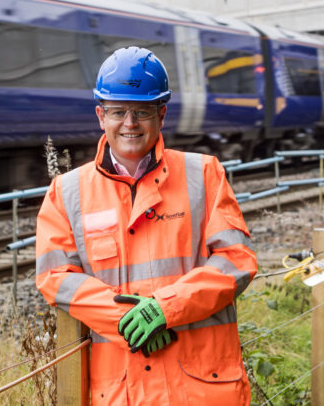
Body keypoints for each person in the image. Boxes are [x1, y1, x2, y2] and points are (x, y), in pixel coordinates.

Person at [35, 46, 258, 405]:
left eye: (142, 111)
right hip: (123, 391)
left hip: (203, 388)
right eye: (118, 111)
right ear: (100, 115)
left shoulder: (203, 174)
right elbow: (54, 277)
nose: (130, 123)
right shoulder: (67, 192)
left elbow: (237, 261)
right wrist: (128, 318)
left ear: (162, 114)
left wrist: (166, 308)